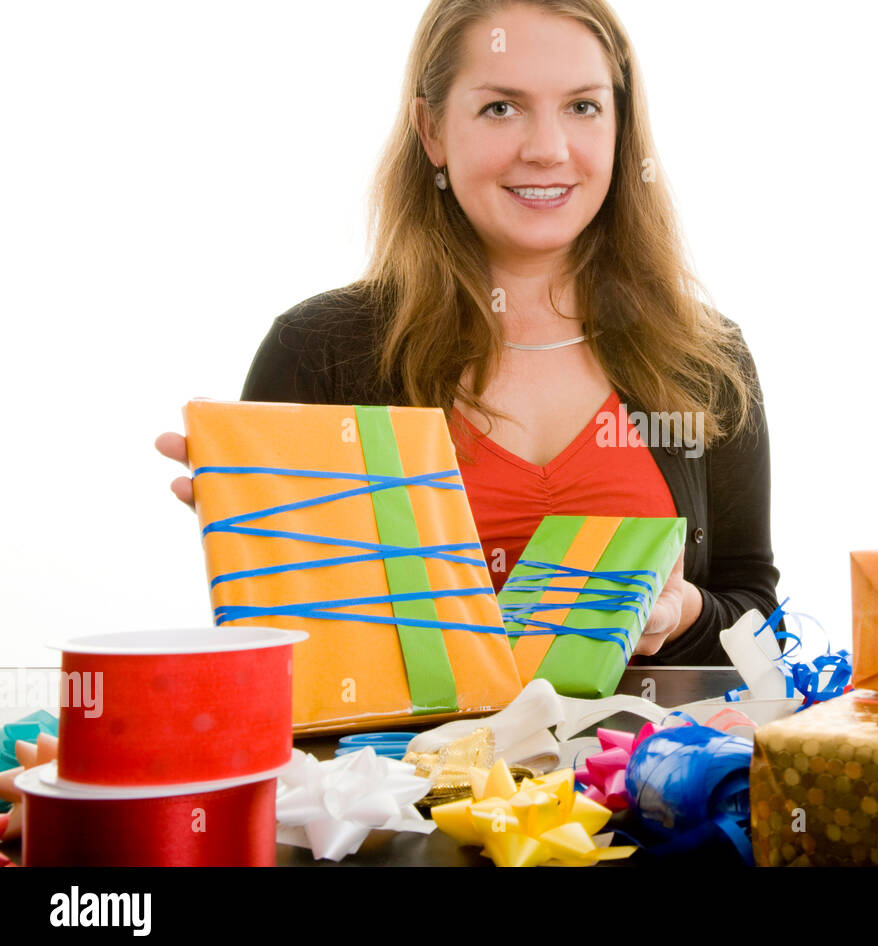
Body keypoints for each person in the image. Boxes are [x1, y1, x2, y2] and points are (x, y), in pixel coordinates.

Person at [156, 0, 779, 664]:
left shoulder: (704, 357)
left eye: (583, 107)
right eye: (501, 108)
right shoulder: (317, 355)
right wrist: (262, 559)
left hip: (641, 769)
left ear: (620, 127)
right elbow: (283, 662)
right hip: (417, 771)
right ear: (431, 130)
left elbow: (756, 616)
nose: (547, 149)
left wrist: (687, 616)